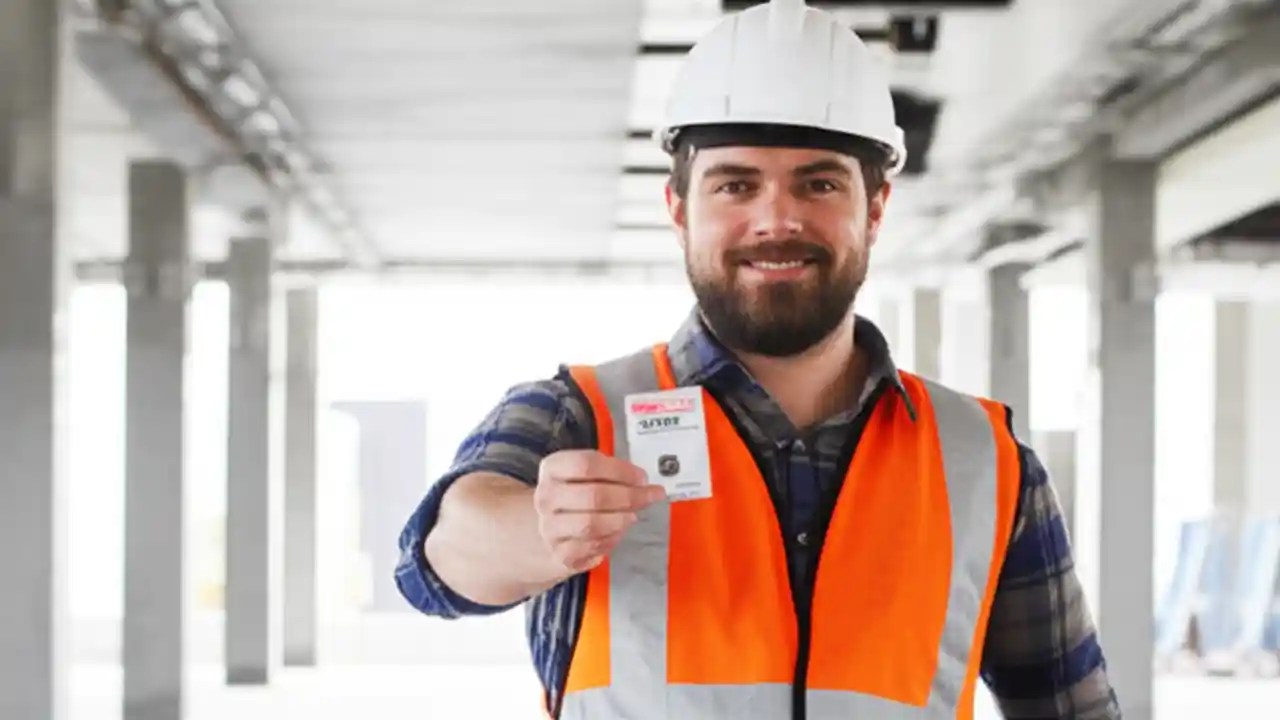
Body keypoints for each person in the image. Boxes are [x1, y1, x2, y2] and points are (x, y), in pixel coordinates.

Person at [396, 1, 1122, 717]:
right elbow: (439, 561)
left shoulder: (987, 463)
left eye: (820, 183)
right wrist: (538, 530)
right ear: (680, 208)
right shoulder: (577, 415)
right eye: (736, 184)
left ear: (875, 208)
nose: (777, 219)